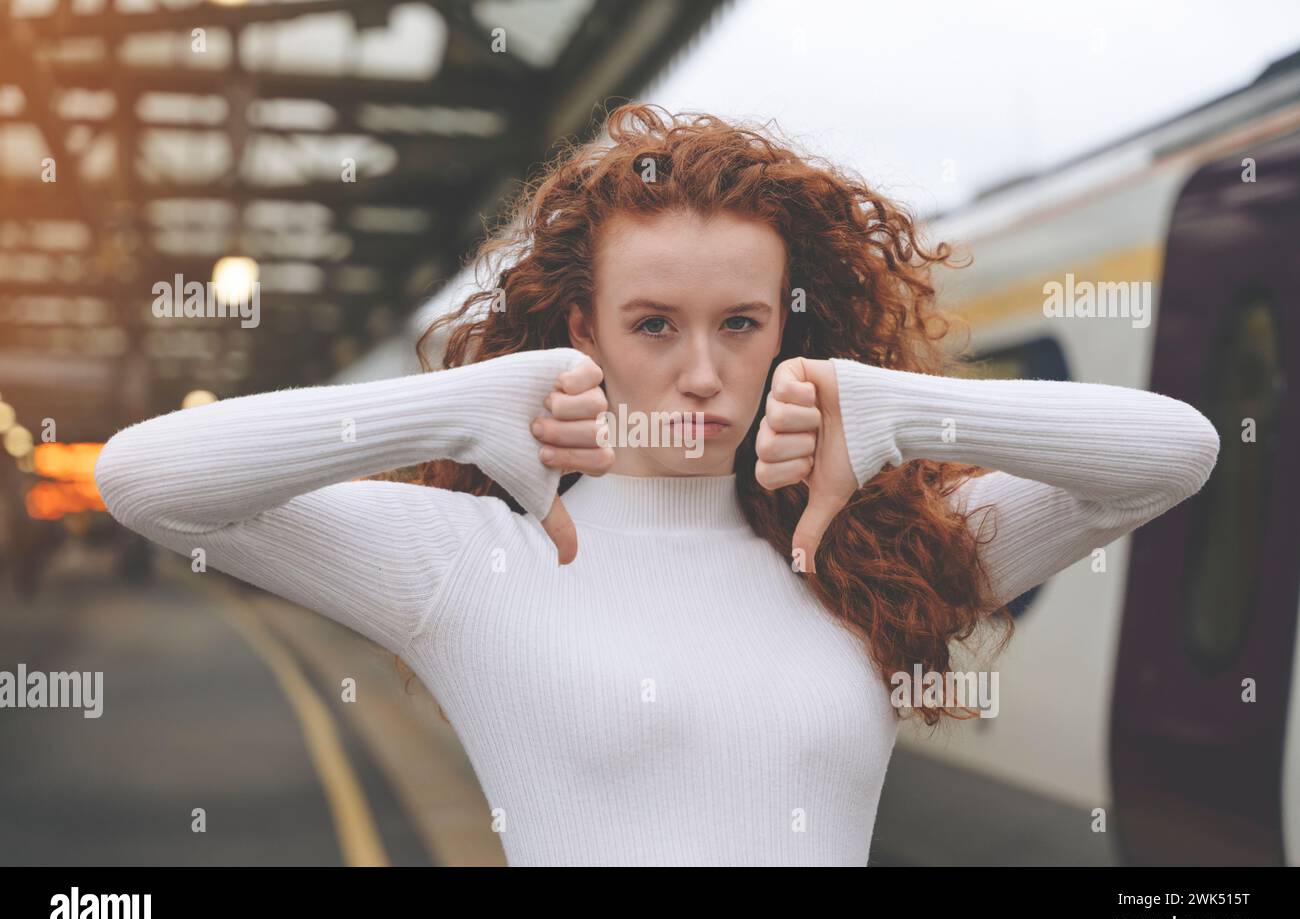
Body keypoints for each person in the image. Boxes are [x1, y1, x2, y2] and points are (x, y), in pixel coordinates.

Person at [94, 104, 1220, 866]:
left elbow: (1174, 453)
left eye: (741, 324)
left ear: (789, 330)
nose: (700, 371)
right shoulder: (473, 562)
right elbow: (148, 481)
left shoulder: (873, 555)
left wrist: (898, 414)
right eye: (652, 324)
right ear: (582, 331)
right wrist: (455, 409)